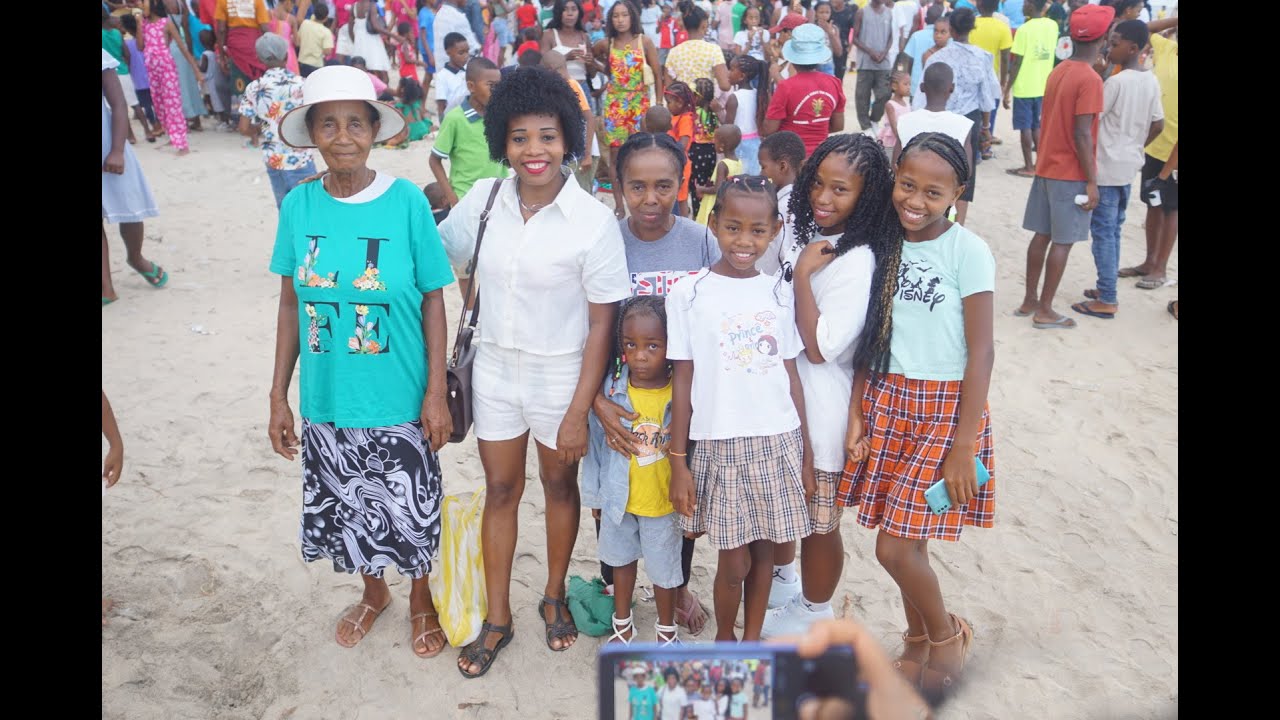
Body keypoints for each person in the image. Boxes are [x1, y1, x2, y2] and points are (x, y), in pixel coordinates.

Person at [440, 66, 631, 678]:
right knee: (500, 490)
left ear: (568, 139)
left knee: (558, 487)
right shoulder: (483, 203)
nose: (533, 151)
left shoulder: (593, 221)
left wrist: (580, 410)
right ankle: (498, 617)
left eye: (547, 136)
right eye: (519, 137)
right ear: (502, 141)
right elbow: (431, 256)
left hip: (561, 376)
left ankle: (553, 596)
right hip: (493, 369)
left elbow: (603, 324)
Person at [267, 64, 455, 659]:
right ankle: (374, 593)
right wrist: (278, 394)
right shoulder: (298, 206)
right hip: (328, 394)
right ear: (313, 134)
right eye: (328, 124)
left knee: (411, 505)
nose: (342, 135)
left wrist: (435, 392)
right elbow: (290, 301)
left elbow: (433, 298)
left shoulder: (404, 203)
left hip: (398, 392)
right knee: (346, 503)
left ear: (376, 130)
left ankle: (421, 598)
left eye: (355, 122)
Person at [838, 132, 995, 702]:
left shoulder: (967, 251)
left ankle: (948, 637)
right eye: (907, 185)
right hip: (888, 401)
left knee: (893, 546)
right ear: (894, 179)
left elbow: (982, 351)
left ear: (958, 193)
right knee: (910, 540)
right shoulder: (884, 242)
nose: (916, 201)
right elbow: (871, 335)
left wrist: (963, 444)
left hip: (944, 412)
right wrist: (858, 408)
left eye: (934, 192)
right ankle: (920, 636)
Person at [666, 176, 814, 644]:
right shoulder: (688, 293)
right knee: (733, 560)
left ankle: (751, 639)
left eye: (756, 230)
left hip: (777, 440)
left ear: (774, 230)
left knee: (767, 554)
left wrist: (807, 456)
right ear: (713, 225)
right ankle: (725, 637)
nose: (743, 241)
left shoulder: (778, 292)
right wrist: (678, 463)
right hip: (720, 443)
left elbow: (790, 376)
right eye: (732, 228)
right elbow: (684, 379)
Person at [762, 133, 898, 639]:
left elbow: (820, 347)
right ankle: (784, 581)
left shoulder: (856, 260)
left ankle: (815, 609)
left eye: (839, 190)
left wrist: (801, 279)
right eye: (817, 183)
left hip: (821, 409)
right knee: (783, 509)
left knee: (821, 522)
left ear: (865, 197)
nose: (822, 197)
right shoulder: (809, 232)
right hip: (781, 399)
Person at [587, 131, 719, 631]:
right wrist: (596, 400)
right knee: (612, 502)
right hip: (617, 405)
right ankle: (614, 588)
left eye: (663, 185)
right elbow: (589, 327)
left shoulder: (700, 240)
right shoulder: (605, 242)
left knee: (676, 500)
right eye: (637, 186)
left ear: (681, 182)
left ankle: (675, 587)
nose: (650, 199)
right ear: (618, 186)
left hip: (677, 406)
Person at [583, 296, 684, 648]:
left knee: (665, 570)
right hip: (618, 500)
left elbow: (693, 450)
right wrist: (595, 495)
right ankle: (623, 625)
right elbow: (596, 444)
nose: (640, 355)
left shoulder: (680, 392)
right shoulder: (613, 391)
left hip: (662, 503)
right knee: (621, 564)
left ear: (671, 346)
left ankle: (666, 632)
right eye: (631, 345)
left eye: (652, 345)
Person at [1014, 3, 1110, 329]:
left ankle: (1030, 299)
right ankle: (1045, 309)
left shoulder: (1060, 69)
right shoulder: (1091, 79)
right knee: (1063, 241)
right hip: (1070, 173)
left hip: (1046, 166)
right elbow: (1083, 134)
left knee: (1041, 236)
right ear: (1105, 37)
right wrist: (1093, 182)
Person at [1070, 18, 1161, 321]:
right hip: (1129, 165)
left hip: (1107, 169)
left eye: (1115, 42)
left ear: (1133, 48)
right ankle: (1104, 285)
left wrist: (1099, 73)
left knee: (1104, 234)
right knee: (1115, 230)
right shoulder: (1150, 79)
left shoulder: (1116, 83)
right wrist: (1135, 143)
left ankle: (1107, 297)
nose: (1109, 46)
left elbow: (1092, 119)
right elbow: (1158, 124)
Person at [915, 8, 1000, 225]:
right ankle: (957, 225)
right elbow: (987, 98)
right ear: (972, 28)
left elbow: (920, 95)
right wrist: (986, 127)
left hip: (941, 119)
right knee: (965, 175)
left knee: (937, 170)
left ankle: (932, 217)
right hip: (969, 122)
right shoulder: (983, 57)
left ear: (951, 29)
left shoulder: (938, 57)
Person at [102, 48, 166, 306]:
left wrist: (117, 150)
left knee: (130, 209)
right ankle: (106, 287)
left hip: (108, 144)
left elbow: (118, 103)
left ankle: (136, 257)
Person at [1118, 15, 1177, 290]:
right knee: (1153, 203)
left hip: (1175, 150)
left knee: (1171, 208)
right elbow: (1143, 29)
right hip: (1156, 143)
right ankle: (1148, 261)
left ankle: (1160, 268)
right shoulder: (1168, 48)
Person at [594, 1, 664, 216]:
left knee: (640, 152)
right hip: (615, 104)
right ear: (610, 20)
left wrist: (659, 103)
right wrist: (598, 68)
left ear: (632, 17)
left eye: (624, 15)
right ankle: (618, 205)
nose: (620, 20)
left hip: (639, 103)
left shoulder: (645, 42)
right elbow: (600, 63)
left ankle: (640, 200)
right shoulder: (607, 44)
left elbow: (658, 73)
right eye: (616, 16)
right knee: (616, 155)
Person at [238, 33, 317, 209]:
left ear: (259, 58)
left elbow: (243, 127)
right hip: (300, 159)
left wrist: (262, 129)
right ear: (287, 55)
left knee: (285, 209)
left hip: (273, 159)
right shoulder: (302, 84)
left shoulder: (253, 88)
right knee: (309, 209)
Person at [429, 58, 505, 209]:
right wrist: (451, 196)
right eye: (491, 86)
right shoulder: (455, 119)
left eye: (499, 86)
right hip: (466, 198)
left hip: (499, 195)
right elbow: (434, 160)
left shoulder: (500, 115)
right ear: (471, 86)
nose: (497, 91)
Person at [762, 23, 846, 157]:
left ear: (793, 59)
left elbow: (769, 129)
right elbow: (838, 125)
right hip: (820, 156)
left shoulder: (786, 87)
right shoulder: (834, 83)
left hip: (790, 157)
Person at [140, 0, 205, 155]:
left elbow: (182, 47)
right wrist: (138, 24)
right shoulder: (145, 24)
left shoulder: (166, 23)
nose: (142, 6)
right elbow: (141, 46)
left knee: (173, 105)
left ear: (154, 6)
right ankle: (172, 137)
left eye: (144, 3)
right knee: (160, 104)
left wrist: (196, 70)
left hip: (166, 69)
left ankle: (183, 145)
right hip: (152, 70)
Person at [1003, 0, 1056, 177]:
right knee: (1037, 126)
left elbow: (1016, 62)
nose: (1022, 5)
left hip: (1025, 86)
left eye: (1025, 3)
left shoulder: (1024, 30)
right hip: (1043, 84)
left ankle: (1028, 166)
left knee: (1025, 127)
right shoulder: (1052, 25)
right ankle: (1040, 165)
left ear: (1032, 6)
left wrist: (1007, 88)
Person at [894, 62, 975, 167]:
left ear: (922, 87)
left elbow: (895, 166)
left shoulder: (905, 121)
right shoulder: (964, 125)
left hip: (912, 181)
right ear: (952, 88)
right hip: (946, 183)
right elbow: (967, 171)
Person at [542, 50, 599, 191]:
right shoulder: (559, 87)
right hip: (574, 152)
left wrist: (587, 155)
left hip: (583, 153)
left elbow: (590, 119)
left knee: (581, 195)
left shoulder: (571, 86)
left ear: (550, 70)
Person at [755, 130, 805, 276]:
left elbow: (790, 258)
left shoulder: (786, 207)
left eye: (763, 167)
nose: (760, 174)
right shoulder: (788, 200)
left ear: (783, 166)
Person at [969, 0, 1012, 152]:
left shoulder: (971, 23)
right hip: (991, 78)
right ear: (996, 7)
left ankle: (970, 146)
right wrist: (1003, 81)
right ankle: (985, 148)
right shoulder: (1002, 27)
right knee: (990, 115)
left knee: (973, 113)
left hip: (971, 76)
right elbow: (1006, 57)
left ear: (979, 6)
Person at [663, 2, 731, 92]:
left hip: (682, 104)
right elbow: (725, 85)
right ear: (704, 25)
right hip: (704, 104)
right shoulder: (714, 50)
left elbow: (669, 88)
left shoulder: (674, 52)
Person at [851, 0, 895, 133]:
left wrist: (884, 52)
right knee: (862, 97)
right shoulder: (862, 12)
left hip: (883, 62)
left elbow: (891, 37)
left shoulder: (889, 13)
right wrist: (870, 51)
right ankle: (866, 127)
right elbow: (855, 38)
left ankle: (874, 120)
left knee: (885, 94)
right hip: (865, 63)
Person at [214, 0, 271, 101]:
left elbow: (221, 30)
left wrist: (222, 57)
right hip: (254, 47)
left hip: (235, 47)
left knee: (239, 83)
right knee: (258, 81)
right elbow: (264, 28)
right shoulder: (257, 1)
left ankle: (241, 112)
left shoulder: (223, 1)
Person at [543, 0, 596, 104]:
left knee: (585, 120)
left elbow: (592, 74)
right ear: (558, 12)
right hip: (558, 89)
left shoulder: (584, 36)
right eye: (565, 9)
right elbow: (542, 66)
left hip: (582, 89)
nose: (570, 13)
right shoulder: (549, 35)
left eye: (573, 9)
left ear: (579, 12)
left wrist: (590, 62)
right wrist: (565, 58)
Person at [724, 54, 769, 175]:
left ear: (742, 76)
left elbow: (727, 128)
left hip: (738, 145)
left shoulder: (734, 98)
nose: (728, 73)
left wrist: (718, 111)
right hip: (755, 143)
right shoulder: (758, 94)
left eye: (732, 69)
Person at [694, 124, 743, 225]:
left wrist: (701, 188)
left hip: (713, 203)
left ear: (722, 145)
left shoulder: (723, 164)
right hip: (727, 203)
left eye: (715, 141)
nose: (713, 142)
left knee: (707, 227)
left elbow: (717, 189)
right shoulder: (738, 162)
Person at [687, 78, 721, 218]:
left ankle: (697, 213)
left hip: (696, 151)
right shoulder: (714, 112)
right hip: (711, 152)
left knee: (695, 184)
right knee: (707, 182)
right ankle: (706, 212)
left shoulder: (694, 113)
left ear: (698, 96)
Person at [662, 84, 696, 217]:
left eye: (669, 102)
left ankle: (683, 223)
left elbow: (684, 142)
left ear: (680, 102)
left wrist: (669, 149)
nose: (667, 106)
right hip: (673, 162)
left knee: (681, 198)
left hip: (681, 163)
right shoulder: (675, 117)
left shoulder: (685, 118)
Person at [434, 0, 481, 79]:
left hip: (442, 71)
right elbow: (473, 49)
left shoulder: (439, 15)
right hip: (458, 74)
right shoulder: (458, 17)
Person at [435, 33, 472, 119]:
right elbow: (441, 107)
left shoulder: (470, 69)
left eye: (467, 51)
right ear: (448, 52)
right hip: (454, 119)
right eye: (461, 53)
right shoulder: (442, 76)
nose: (466, 56)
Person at [879, 71, 913, 159]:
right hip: (892, 142)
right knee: (890, 163)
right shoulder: (890, 105)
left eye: (910, 84)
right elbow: (894, 128)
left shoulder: (907, 104)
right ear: (894, 86)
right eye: (905, 84)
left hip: (904, 140)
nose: (909, 87)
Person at [296, 0, 333, 76]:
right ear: (326, 18)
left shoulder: (305, 24)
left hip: (302, 62)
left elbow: (299, 40)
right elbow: (327, 51)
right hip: (316, 65)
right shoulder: (326, 32)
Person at [828, 0, 856, 83]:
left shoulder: (849, 13)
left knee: (839, 77)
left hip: (842, 50)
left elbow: (855, 31)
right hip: (827, 49)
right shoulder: (827, 10)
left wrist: (850, 47)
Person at [813, 2, 844, 75]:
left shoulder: (834, 29)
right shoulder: (812, 28)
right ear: (816, 13)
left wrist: (830, 33)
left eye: (827, 12)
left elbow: (839, 52)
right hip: (813, 65)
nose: (824, 15)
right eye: (821, 12)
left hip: (828, 65)